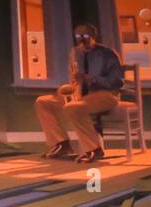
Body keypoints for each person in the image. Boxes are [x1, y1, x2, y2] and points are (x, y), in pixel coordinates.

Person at [34, 24, 124, 163]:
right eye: (77, 36)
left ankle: (94, 149)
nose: (81, 39)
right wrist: (72, 85)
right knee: (43, 102)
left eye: (85, 36)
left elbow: (117, 81)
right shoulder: (75, 53)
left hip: (106, 95)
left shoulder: (108, 54)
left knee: (73, 107)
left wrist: (92, 79)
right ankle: (61, 143)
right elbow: (74, 78)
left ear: (94, 37)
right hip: (81, 95)